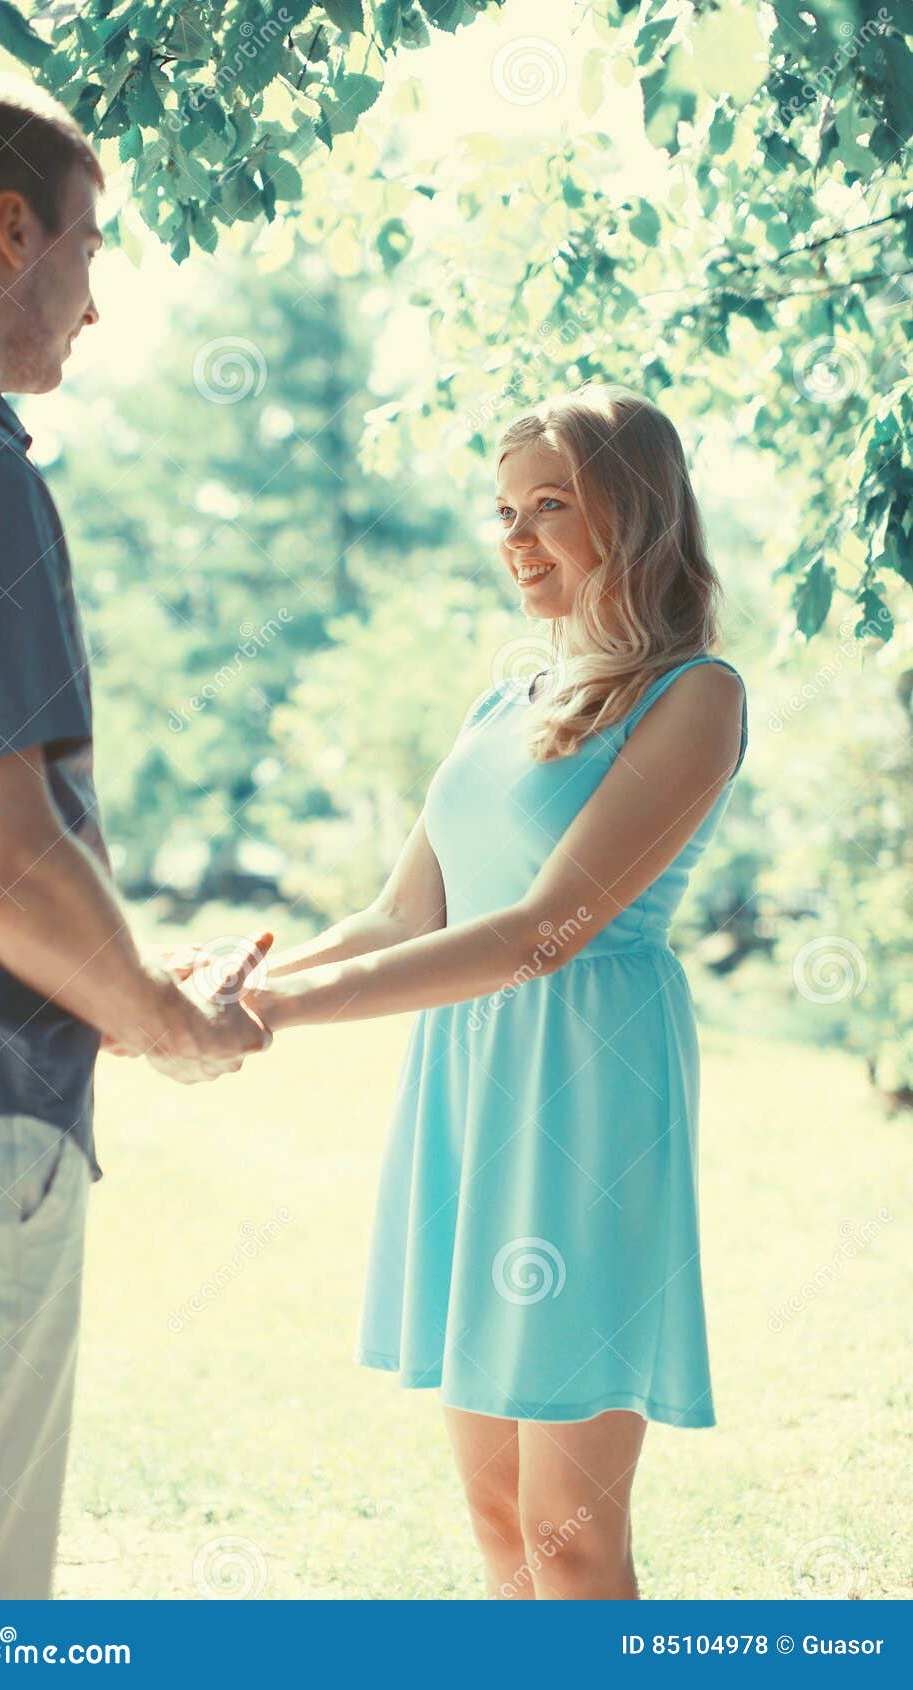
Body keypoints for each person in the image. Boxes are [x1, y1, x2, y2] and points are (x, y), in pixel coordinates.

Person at [0, 78, 271, 1601]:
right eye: (90, 247)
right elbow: (7, 863)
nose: (93, 304)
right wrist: (168, 1021)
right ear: (8, 229)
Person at [234, 385, 749, 1600]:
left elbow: (536, 934)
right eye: (503, 511)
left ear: (636, 512)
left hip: (587, 1103)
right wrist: (239, 982)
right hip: (466, 1093)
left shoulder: (695, 696)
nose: (515, 538)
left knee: (569, 1529)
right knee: (494, 1510)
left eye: (550, 507)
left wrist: (293, 1014)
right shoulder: (496, 703)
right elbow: (399, 914)